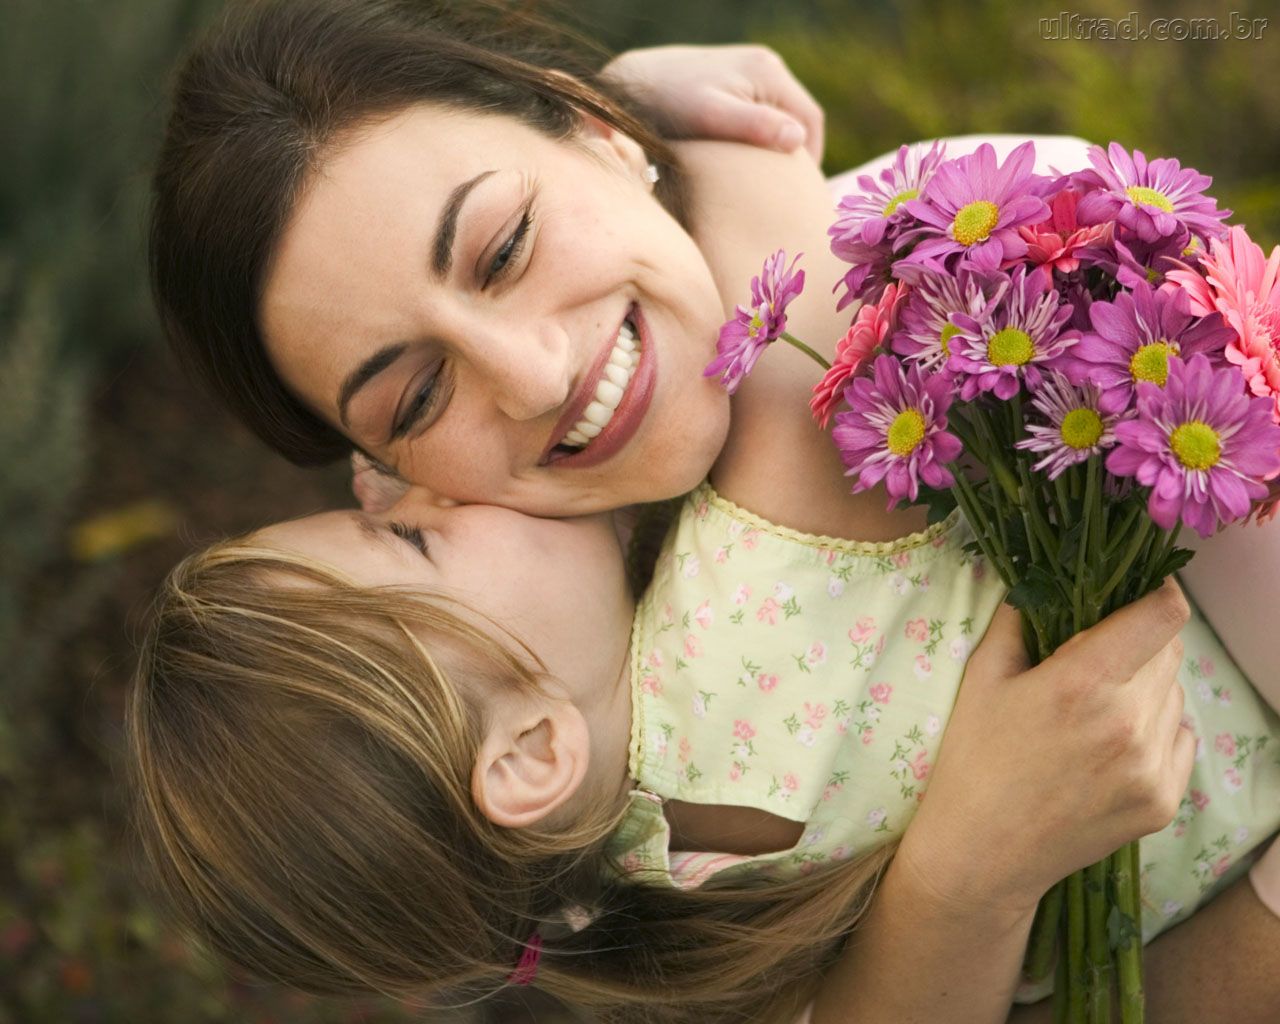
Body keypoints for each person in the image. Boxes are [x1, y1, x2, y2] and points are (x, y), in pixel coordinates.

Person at [139, 0, 1280, 1020]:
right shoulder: (716, 637)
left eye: (505, 246)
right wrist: (667, 120)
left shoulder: (626, 891)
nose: (534, 377)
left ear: (584, 136)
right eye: (418, 396)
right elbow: (795, 335)